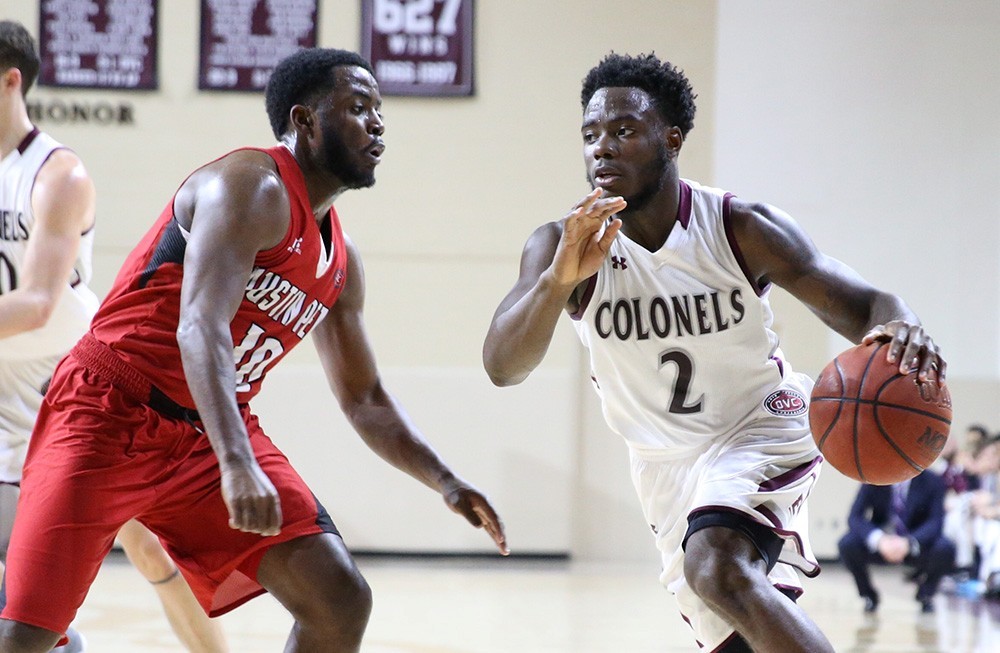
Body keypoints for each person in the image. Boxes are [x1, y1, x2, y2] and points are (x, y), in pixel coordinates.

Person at [0, 46, 507, 653]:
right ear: (305, 120)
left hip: (205, 431)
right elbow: (200, 326)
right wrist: (237, 462)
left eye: (380, 111)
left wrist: (445, 480)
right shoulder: (250, 186)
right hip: (108, 411)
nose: (376, 124)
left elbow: (365, 398)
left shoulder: (341, 261)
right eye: (358, 107)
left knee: (339, 598)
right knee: (25, 636)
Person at [483, 52, 945, 652]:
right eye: (590, 135)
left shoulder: (740, 227)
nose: (602, 149)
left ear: (672, 139)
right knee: (737, 632)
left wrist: (904, 326)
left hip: (761, 426)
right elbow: (503, 367)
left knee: (717, 569)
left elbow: (870, 305)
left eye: (624, 130)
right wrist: (556, 283)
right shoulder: (561, 244)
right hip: (664, 465)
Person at [0, 20, 229, 653]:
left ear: (11, 80)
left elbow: (37, 303)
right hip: (4, 380)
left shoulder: (57, 174)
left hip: (65, 382)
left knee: (150, 547)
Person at [837, 471, 956, 613]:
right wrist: (879, 539)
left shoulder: (932, 481)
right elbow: (855, 517)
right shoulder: (874, 476)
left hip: (915, 542)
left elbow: (936, 521)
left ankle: (926, 594)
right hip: (883, 541)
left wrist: (909, 542)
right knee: (847, 544)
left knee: (945, 548)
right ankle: (868, 594)